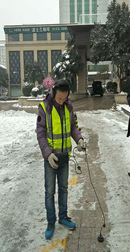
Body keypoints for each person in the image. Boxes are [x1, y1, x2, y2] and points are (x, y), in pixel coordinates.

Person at [36, 79, 84, 240]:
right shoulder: (44, 108)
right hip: (51, 157)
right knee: (50, 191)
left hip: (64, 157)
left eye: (64, 99)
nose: (62, 101)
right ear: (53, 93)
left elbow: (73, 127)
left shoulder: (69, 107)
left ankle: (63, 217)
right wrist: (48, 154)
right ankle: (51, 221)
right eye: (59, 99)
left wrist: (79, 140)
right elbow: (40, 133)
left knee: (63, 188)